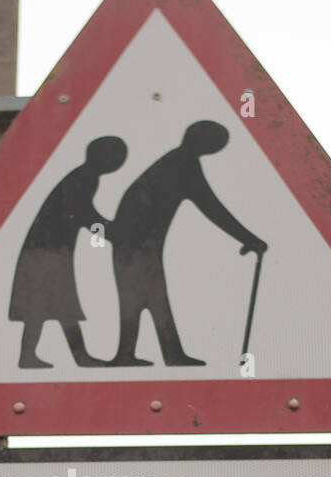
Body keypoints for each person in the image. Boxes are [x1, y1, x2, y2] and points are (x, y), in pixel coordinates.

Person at [109, 120, 266, 367]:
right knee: (140, 299)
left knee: (152, 298)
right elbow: (211, 207)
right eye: (216, 143)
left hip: (137, 246)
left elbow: (209, 205)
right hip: (134, 247)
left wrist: (249, 239)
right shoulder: (182, 164)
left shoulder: (178, 161)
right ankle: (134, 355)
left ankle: (159, 353)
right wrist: (249, 239)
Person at [8, 135, 128, 368]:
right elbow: (84, 213)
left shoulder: (84, 176)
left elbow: (82, 213)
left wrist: (107, 231)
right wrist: (110, 233)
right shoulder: (84, 178)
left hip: (50, 251)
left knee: (58, 303)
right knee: (46, 304)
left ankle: (73, 355)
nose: (118, 163)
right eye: (115, 157)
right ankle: (44, 355)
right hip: (45, 252)